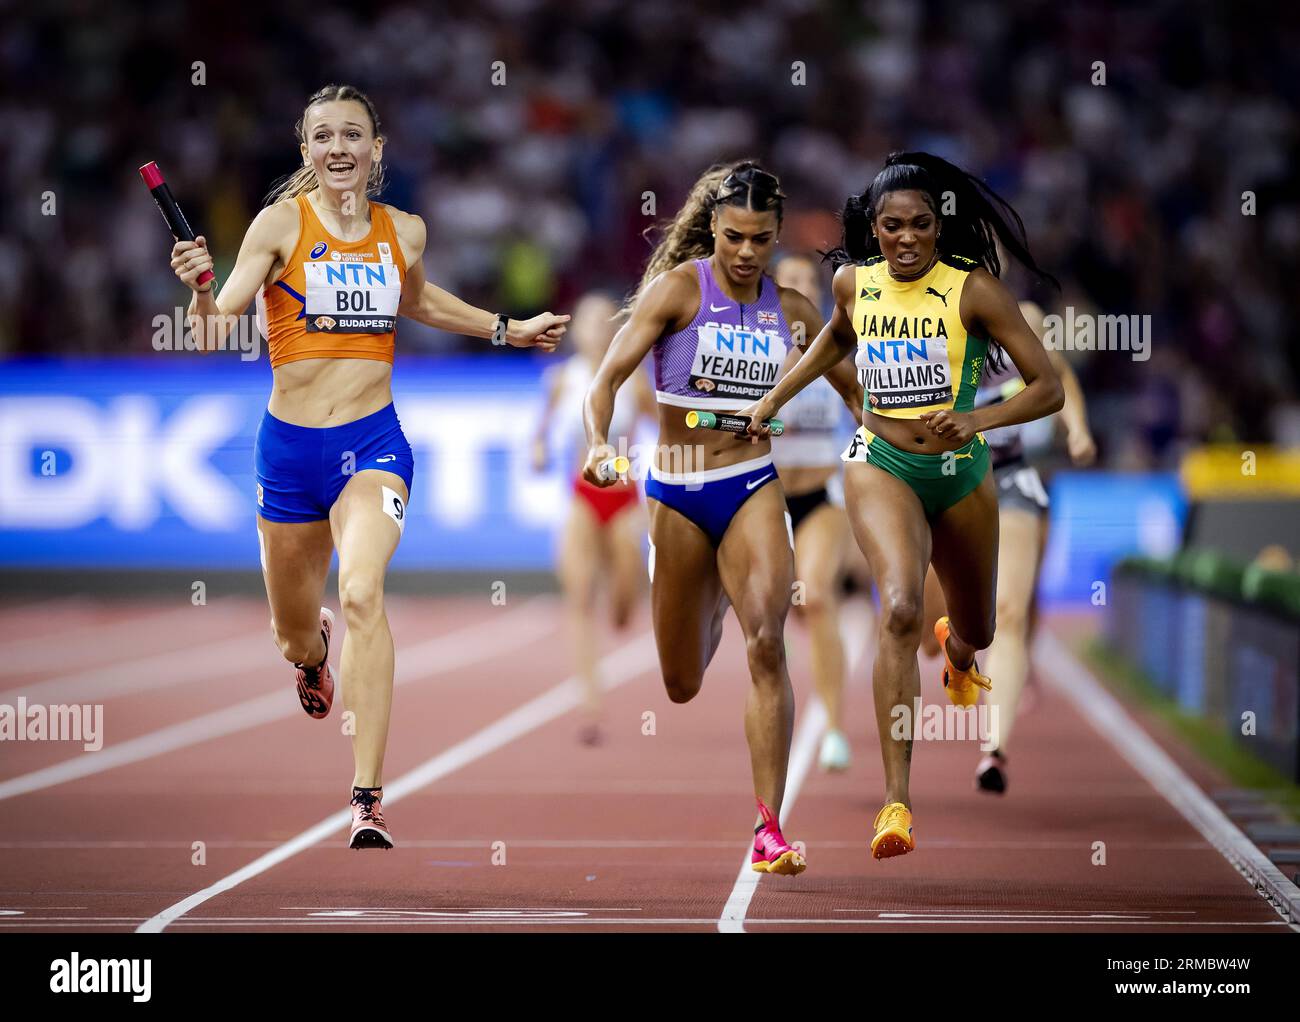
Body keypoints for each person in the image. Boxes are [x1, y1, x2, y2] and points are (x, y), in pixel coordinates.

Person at [169, 83, 566, 849]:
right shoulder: (280, 224)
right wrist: (199, 289)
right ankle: (310, 656)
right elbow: (215, 334)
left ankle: (367, 797)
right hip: (288, 452)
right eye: (324, 137)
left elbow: (419, 303)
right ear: (306, 150)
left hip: (373, 447)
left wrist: (506, 328)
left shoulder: (403, 231)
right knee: (294, 633)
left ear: (377, 150)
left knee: (361, 591)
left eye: (354, 135)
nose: (339, 149)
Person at [737, 151, 1063, 860]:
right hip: (880, 462)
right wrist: (771, 401)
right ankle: (897, 803)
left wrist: (977, 421)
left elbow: (1048, 388)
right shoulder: (855, 283)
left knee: (977, 629)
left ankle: (958, 649)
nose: (906, 238)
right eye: (892, 227)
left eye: (920, 225)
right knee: (900, 608)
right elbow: (831, 344)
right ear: (873, 229)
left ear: (940, 228)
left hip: (962, 470)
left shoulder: (974, 292)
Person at [581, 161, 858, 875]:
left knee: (768, 641)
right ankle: (707, 605)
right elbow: (606, 381)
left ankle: (768, 826)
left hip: (750, 484)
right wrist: (597, 445)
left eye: (760, 239)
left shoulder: (794, 311)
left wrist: (903, 456)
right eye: (733, 236)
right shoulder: (676, 292)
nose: (745, 252)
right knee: (681, 682)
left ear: (776, 236)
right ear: (712, 228)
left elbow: (860, 396)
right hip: (677, 492)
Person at [919, 299, 1096, 792]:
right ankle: (955, 649)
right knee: (924, 634)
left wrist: (1078, 429)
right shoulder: (921, 315)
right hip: (944, 478)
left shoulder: (1026, 318)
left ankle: (993, 749)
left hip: (1009, 476)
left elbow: (1059, 374)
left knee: (1012, 613)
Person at [532, 291, 655, 745]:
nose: (597, 330)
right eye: (588, 322)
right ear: (576, 332)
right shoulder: (562, 380)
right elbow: (540, 437)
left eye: (606, 321)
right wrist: (540, 452)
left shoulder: (632, 381)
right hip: (579, 496)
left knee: (622, 599)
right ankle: (590, 701)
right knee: (580, 597)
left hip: (622, 495)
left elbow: (663, 426)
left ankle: (624, 605)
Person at [770, 254, 859, 772]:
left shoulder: (842, 351)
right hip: (767, 496)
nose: (802, 292)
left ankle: (833, 728)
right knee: (778, 612)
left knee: (819, 596)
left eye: (810, 285)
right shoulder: (759, 352)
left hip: (823, 493)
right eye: (791, 285)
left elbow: (866, 410)